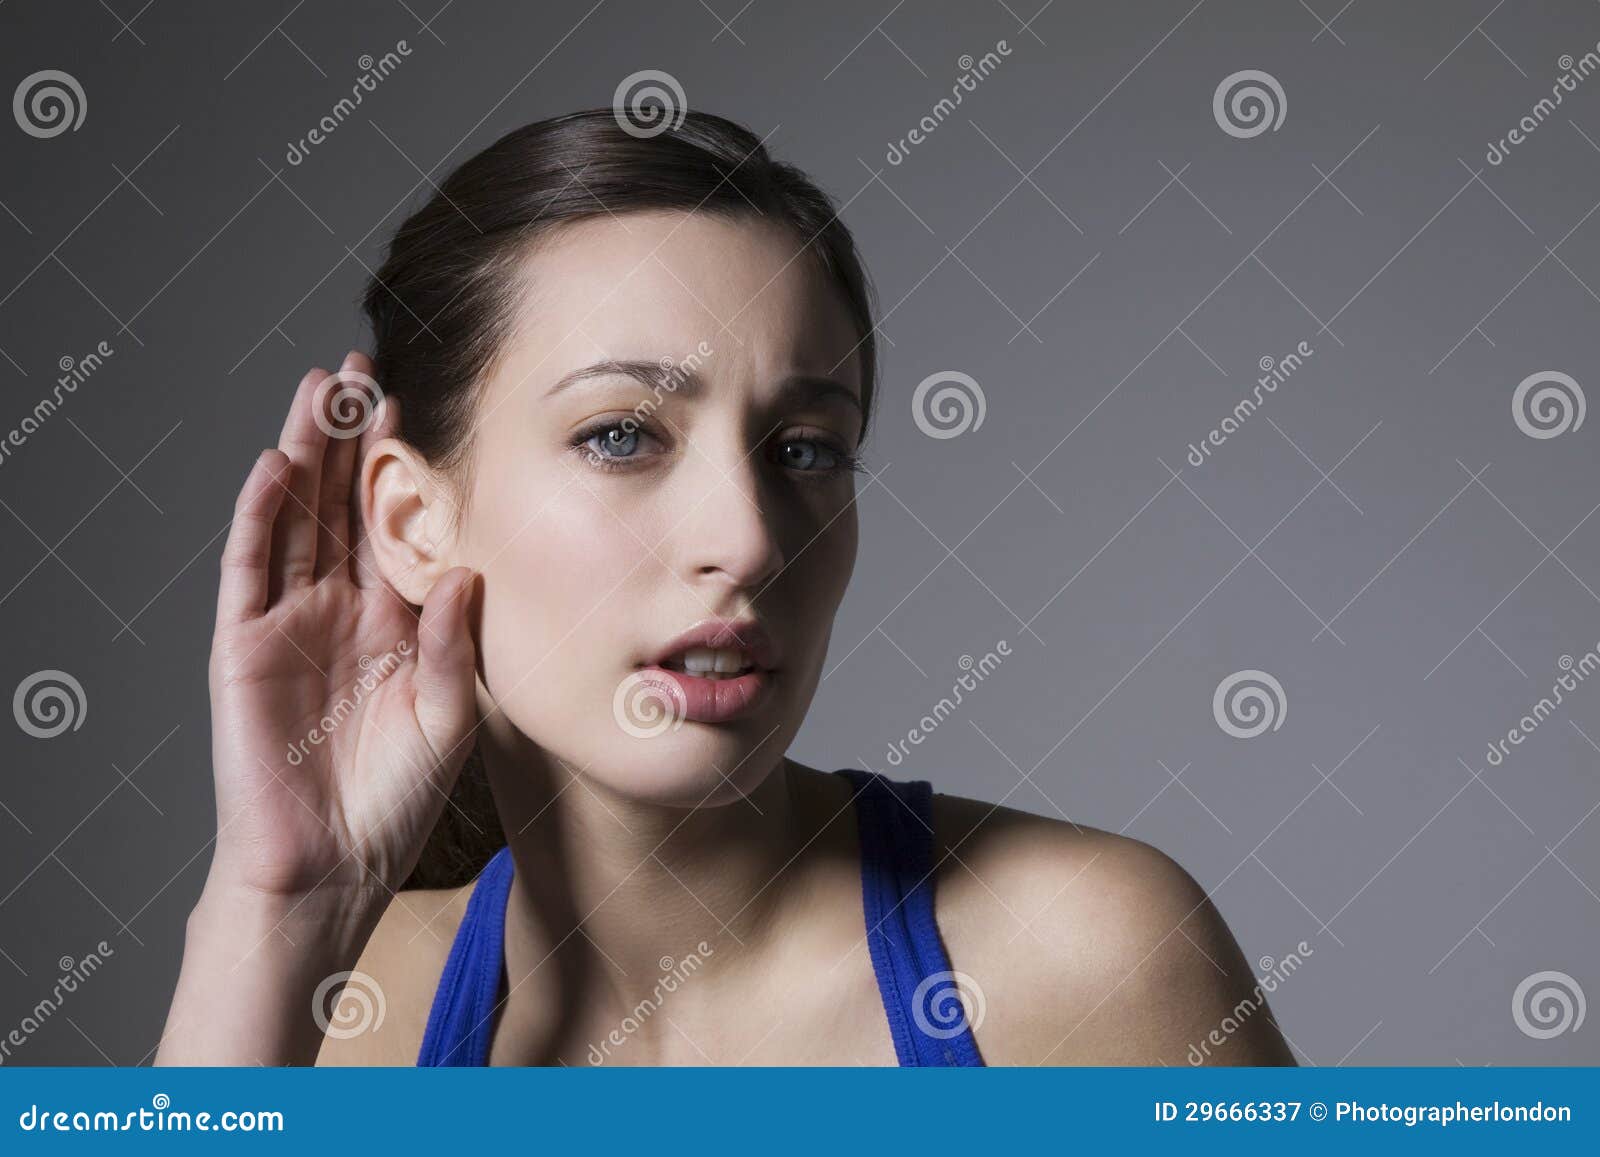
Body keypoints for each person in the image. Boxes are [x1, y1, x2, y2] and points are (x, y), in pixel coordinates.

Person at [154, 109, 1294, 1067]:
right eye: (620, 435)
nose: (749, 540)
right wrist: (280, 907)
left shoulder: (1084, 959)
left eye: (805, 449)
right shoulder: (357, 1015)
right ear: (412, 522)